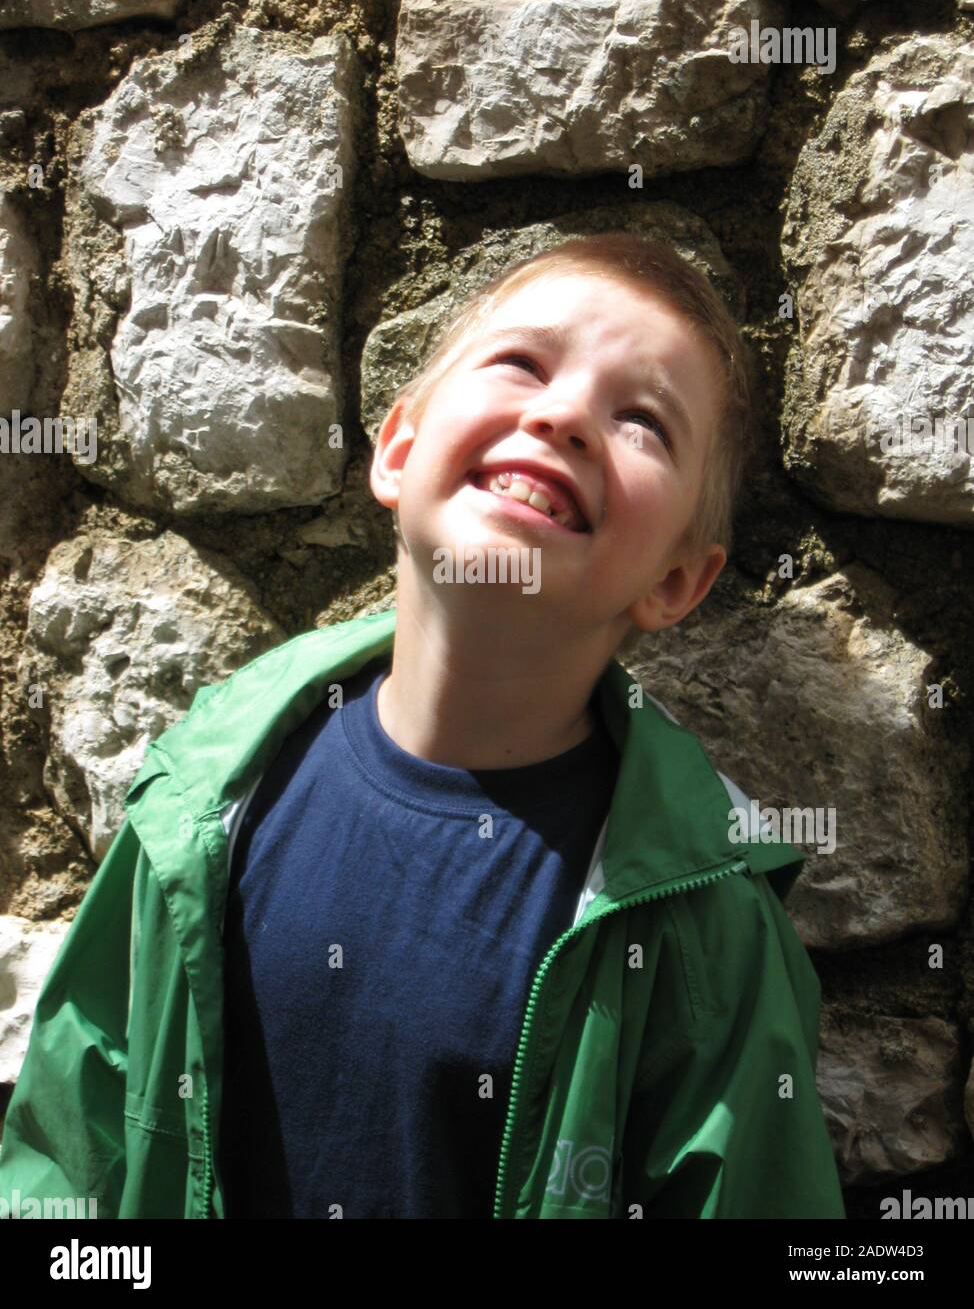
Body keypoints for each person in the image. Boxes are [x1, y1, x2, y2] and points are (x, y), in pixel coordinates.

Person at [0, 232, 845, 1219]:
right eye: (521, 363)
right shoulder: (198, 799)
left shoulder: (700, 921)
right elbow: (72, 1147)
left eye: (643, 422)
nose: (565, 413)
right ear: (398, 449)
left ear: (674, 580)